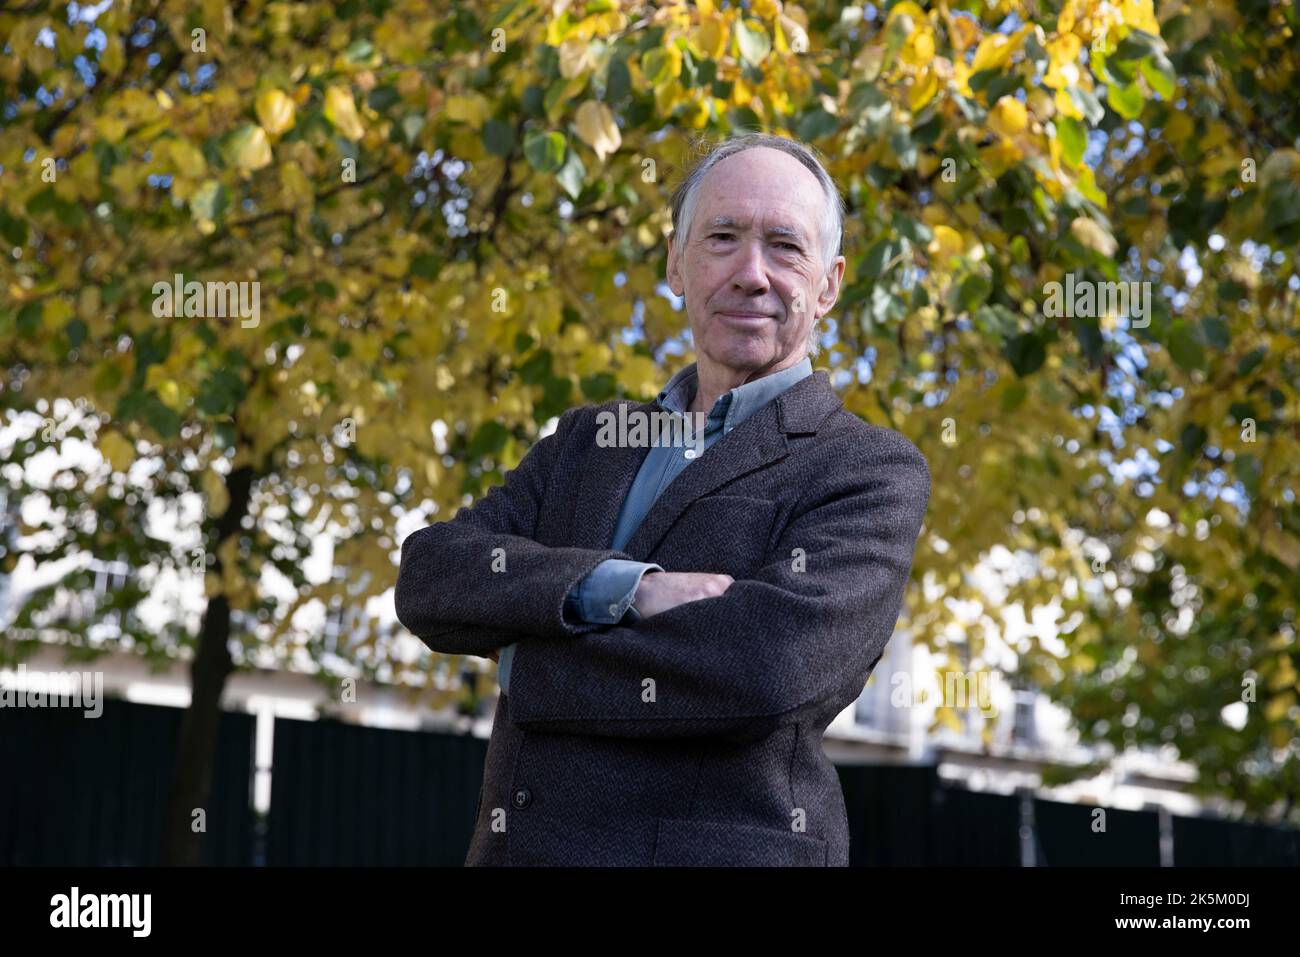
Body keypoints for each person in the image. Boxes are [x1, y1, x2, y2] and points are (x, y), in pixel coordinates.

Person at [395, 132, 931, 866]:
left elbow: (764, 668)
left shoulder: (867, 469)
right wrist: (620, 590)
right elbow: (432, 573)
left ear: (829, 284)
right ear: (675, 263)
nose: (751, 273)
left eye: (784, 246)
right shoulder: (591, 441)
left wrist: (525, 655)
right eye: (722, 237)